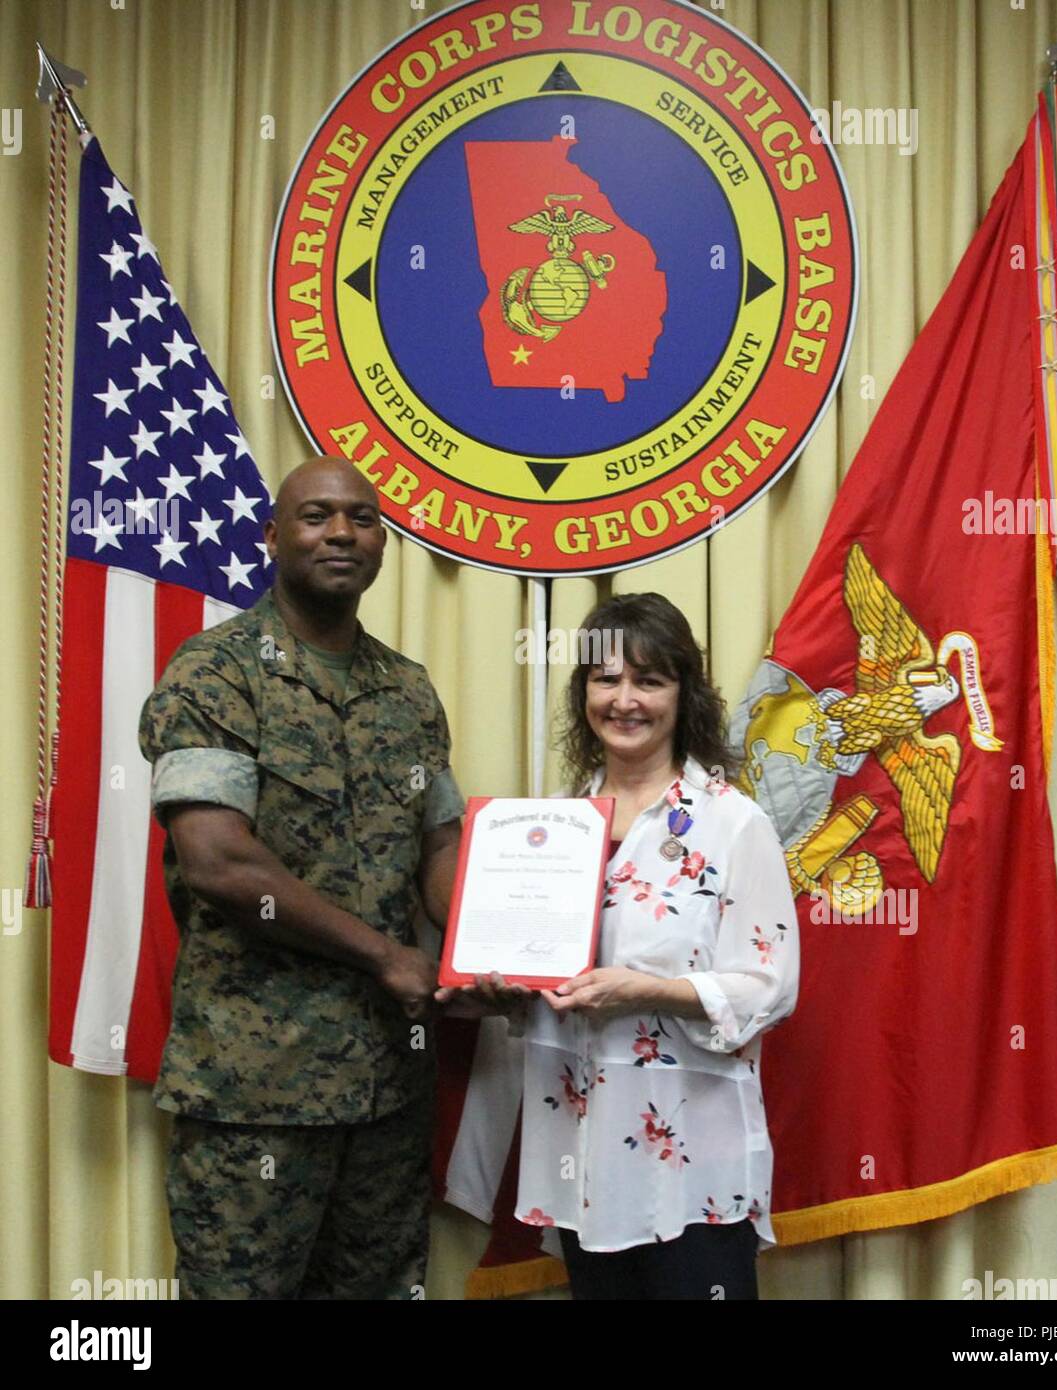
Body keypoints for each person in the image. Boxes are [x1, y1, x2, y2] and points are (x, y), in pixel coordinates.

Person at [138, 455, 463, 1299]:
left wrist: (478, 951)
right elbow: (219, 862)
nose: (341, 534)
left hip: (389, 1082)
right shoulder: (214, 674)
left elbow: (440, 846)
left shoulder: (410, 692)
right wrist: (389, 958)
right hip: (256, 1088)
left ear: (381, 543)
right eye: (317, 517)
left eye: (361, 518)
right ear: (273, 536)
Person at [441, 593, 799, 1299]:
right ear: (582, 695)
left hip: (693, 1161)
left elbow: (769, 986)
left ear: (683, 694)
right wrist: (497, 988)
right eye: (605, 680)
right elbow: (541, 976)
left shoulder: (732, 823)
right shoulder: (552, 826)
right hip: (580, 1153)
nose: (624, 699)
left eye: (649, 680)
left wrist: (644, 990)